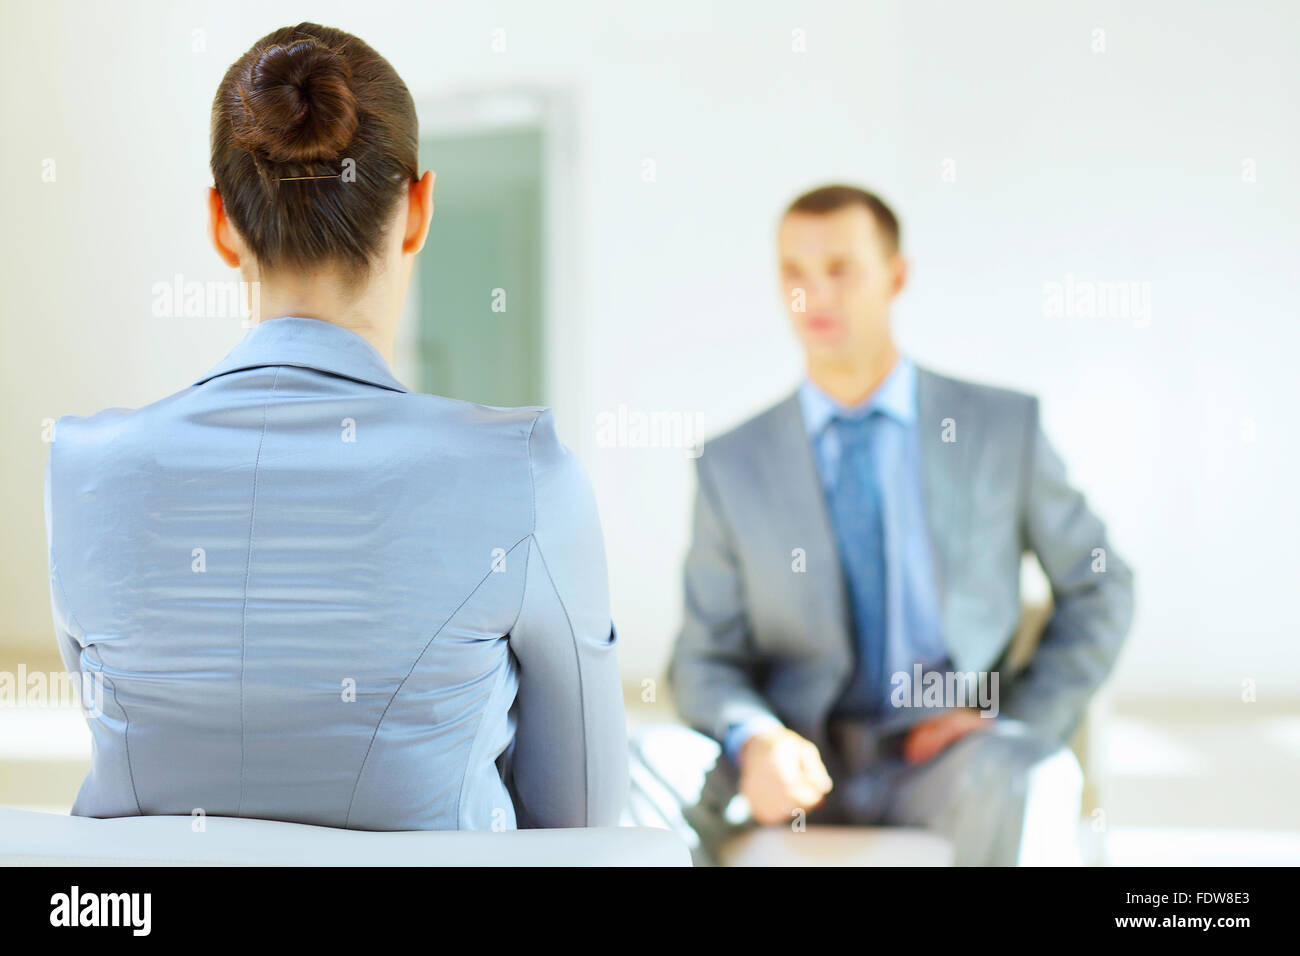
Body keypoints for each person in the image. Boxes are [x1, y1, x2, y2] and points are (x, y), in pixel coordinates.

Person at [43, 23, 626, 831]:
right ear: (418, 211)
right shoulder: (528, 470)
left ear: (220, 223)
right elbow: (583, 827)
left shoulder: (80, 466)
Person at [643, 184, 1134, 865]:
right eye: (794, 273)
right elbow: (703, 659)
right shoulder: (733, 464)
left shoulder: (999, 430)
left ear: (896, 276)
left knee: (1034, 774)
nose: (813, 295)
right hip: (794, 763)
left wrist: (1010, 718)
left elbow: (1102, 586)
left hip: (944, 760)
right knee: (637, 768)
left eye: (840, 269)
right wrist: (753, 736)